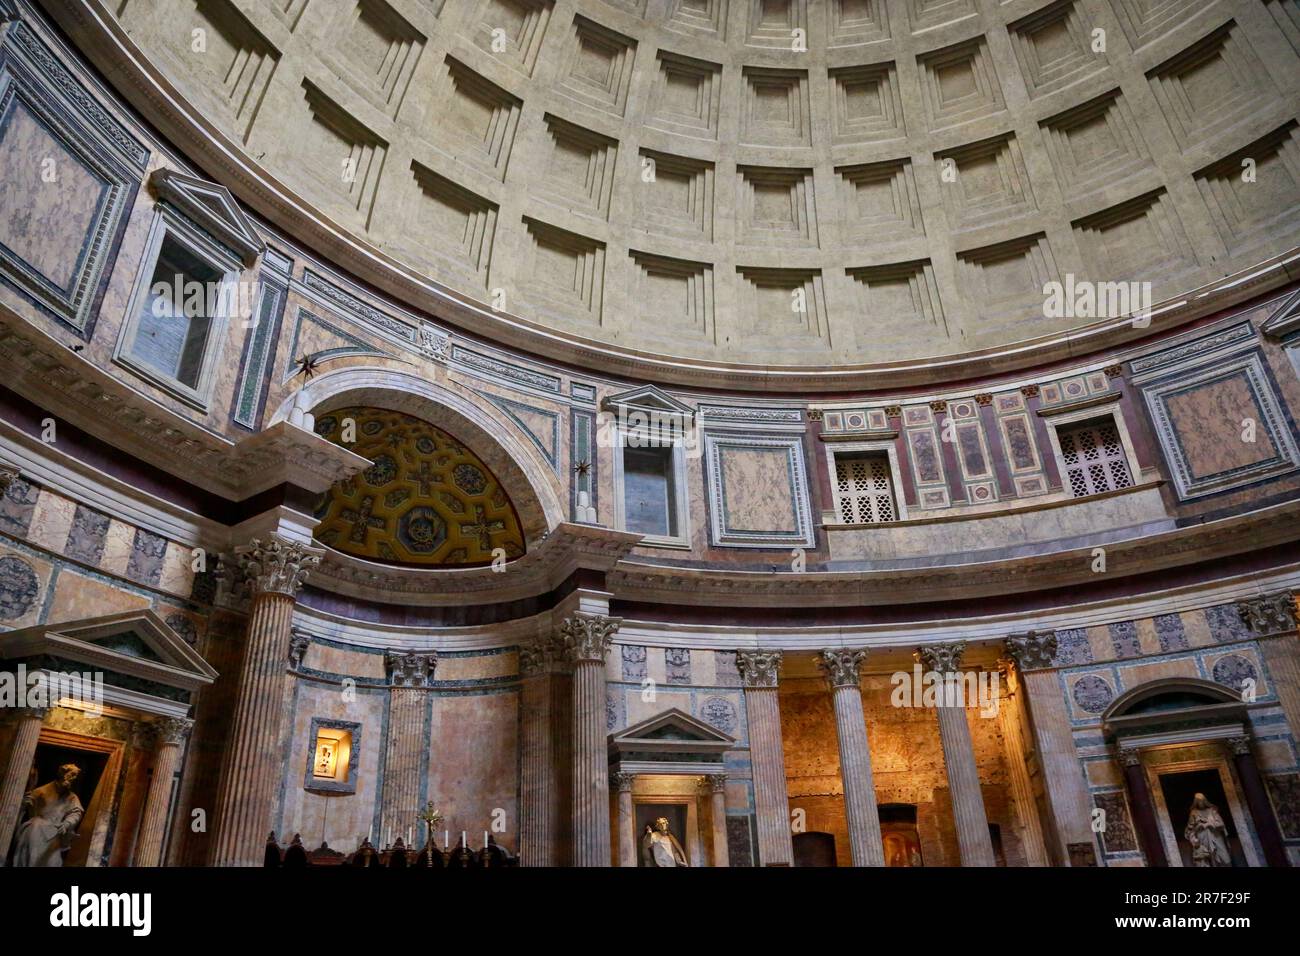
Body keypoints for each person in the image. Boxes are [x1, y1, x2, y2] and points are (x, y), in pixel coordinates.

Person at [13, 763, 84, 867]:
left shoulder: (72, 797)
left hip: (54, 831)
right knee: (34, 836)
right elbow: (26, 804)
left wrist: (67, 823)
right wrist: (24, 804)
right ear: (63, 774)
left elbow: (76, 813)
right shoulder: (41, 791)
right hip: (36, 827)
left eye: (75, 776)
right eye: (72, 774)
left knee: (52, 860)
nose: (73, 778)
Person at [1184, 792, 1232, 867]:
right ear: (1196, 802)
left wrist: (1210, 824)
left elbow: (1221, 824)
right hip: (1202, 838)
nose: (1201, 803)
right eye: (1198, 801)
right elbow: (1190, 830)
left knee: (1225, 858)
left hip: (1216, 836)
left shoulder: (1212, 810)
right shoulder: (1194, 813)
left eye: (1202, 800)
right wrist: (1194, 839)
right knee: (1209, 859)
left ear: (1205, 800)